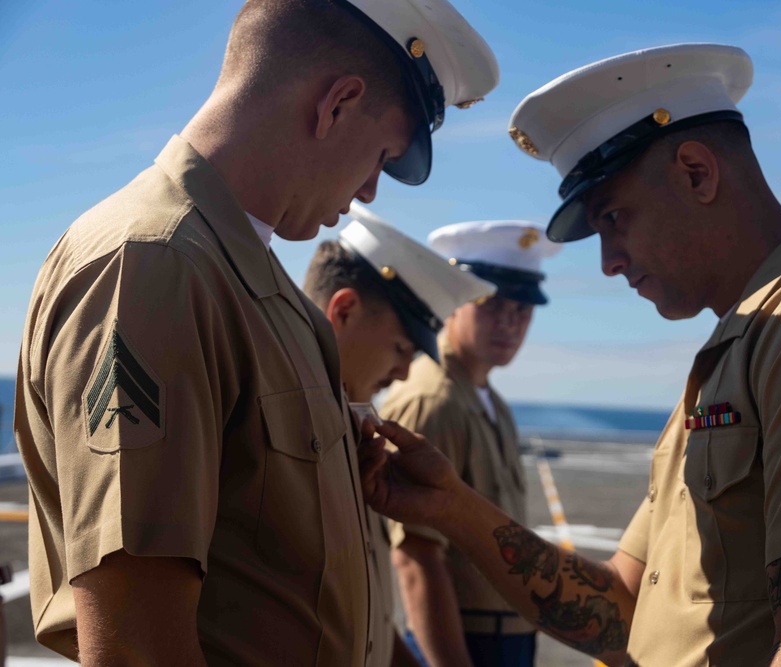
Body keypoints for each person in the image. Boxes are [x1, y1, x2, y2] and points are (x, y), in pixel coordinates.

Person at [359, 44, 781, 667]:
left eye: (614, 218)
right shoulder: (742, 348)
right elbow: (622, 607)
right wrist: (452, 508)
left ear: (696, 173)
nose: (608, 262)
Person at [13, 0, 498, 664]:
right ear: (337, 104)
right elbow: (135, 642)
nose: (370, 191)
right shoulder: (153, 266)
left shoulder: (263, 292)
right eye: (382, 157)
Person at [301, 203, 495, 667]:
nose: (405, 373)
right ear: (344, 312)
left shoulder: (343, 429)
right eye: (401, 348)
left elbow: (366, 618)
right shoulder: (287, 425)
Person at [380, 221, 560, 667]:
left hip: (506, 635)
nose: (509, 322)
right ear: (455, 299)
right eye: (492, 304)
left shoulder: (491, 401)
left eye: (522, 309)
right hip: (462, 641)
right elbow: (416, 556)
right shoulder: (433, 399)